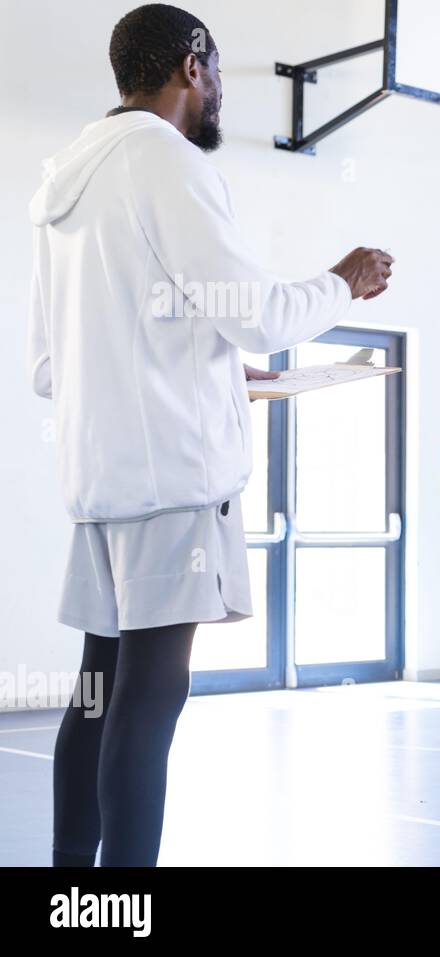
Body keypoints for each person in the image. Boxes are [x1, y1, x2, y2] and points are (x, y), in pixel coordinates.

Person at [27, 3, 393, 866]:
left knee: (96, 696)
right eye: (220, 70)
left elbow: (55, 366)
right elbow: (259, 312)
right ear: (193, 65)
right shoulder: (165, 160)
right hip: (176, 487)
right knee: (151, 701)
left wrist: (215, 374)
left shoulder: (61, 180)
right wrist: (343, 280)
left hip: (99, 483)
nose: (222, 90)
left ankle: (72, 895)